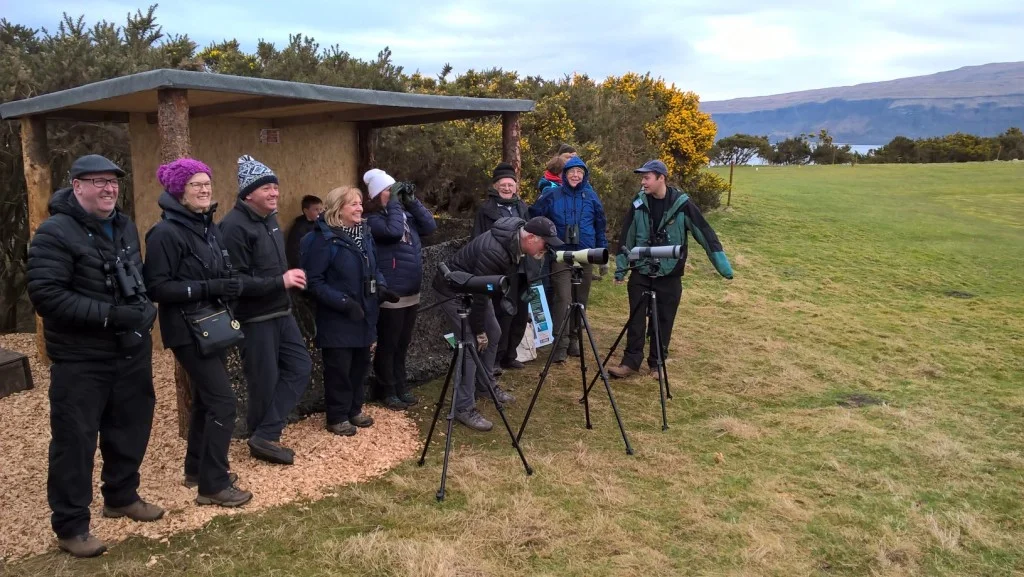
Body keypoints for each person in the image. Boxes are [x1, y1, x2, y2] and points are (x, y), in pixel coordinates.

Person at [26, 154, 163, 558]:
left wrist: (143, 309)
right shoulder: (54, 233)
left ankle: (121, 496)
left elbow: (133, 277)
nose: (109, 189)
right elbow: (46, 296)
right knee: (76, 441)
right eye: (99, 182)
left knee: (130, 428)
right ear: (77, 185)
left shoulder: (123, 225)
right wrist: (109, 316)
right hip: (81, 358)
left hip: (129, 351)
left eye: (114, 182)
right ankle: (71, 526)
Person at [143, 158, 252, 508]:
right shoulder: (165, 233)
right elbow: (157, 287)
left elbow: (217, 270)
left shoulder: (207, 226)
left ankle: (196, 469)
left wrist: (228, 283)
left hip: (213, 326)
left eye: (207, 183)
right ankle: (213, 484)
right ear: (178, 191)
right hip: (187, 331)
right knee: (223, 401)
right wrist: (209, 287)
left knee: (208, 401)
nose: (205, 190)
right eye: (196, 185)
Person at [219, 155, 312, 465]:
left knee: (300, 367)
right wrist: (280, 281)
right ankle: (263, 437)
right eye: (267, 188)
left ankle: (265, 432)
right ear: (248, 193)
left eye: (275, 187)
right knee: (263, 379)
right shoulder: (233, 227)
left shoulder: (270, 219)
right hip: (254, 317)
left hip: (280, 312)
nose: (275, 193)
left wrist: (286, 282)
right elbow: (235, 281)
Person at [433, 216, 563, 431]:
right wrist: (478, 329)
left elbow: (494, 285)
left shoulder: (515, 239)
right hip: (454, 291)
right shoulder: (494, 251)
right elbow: (480, 296)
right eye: (545, 243)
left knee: (495, 332)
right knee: (470, 345)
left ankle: (484, 386)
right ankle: (463, 407)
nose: (546, 249)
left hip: (477, 288)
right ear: (530, 237)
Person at [608, 160, 734, 378]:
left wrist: (723, 266)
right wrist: (621, 269)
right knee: (636, 319)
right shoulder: (638, 202)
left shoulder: (682, 204)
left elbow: (705, 233)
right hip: (641, 271)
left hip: (670, 274)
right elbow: (626, 236)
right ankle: (630, 363)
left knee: (664, 319)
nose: (643, 182)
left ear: (661, 178)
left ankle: (657, 364)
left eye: (647, 177)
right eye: (642, 177)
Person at [301, 186, 399, 435]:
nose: (360, 208)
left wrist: (383, 288)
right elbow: (314, 282)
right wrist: (344, 303)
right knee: (339, 369)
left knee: (360, 364)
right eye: (353, 204)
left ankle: (354, 409)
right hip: (337, 316)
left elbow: (373, 267)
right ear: (338, 209)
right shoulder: (322, 239)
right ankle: (337, 415)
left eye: (359, 203)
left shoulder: (363, 233)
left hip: (365, 312)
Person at [364, 169, 437, 410]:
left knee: (402, 343)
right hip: (392, 291)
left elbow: (430, 225)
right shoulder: (373, 219)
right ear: (376, 195)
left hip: (411, 289)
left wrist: (412, 202)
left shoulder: (403, 213)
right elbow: (393, 233)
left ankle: (400, 385)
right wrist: (394, 203)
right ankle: (387, 389)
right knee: (389, 344)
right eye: (388, 191)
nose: (392, 194)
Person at [529, 155, 608, 363]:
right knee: (563, 298)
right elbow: (535, 217)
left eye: (579, 172)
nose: (575, 175)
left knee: (580, 299)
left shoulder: (591, 197)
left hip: (586, 254)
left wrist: (603, 254)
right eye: (572, 171)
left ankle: (574, 339)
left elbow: (600, 225)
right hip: (561, 254)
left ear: (584, 175)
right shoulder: (552, 196)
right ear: (564, 174)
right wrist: (545, 241)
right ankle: (560, 343)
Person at [472, 162, 538, 371]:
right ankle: (497, 358)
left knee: (520, 313)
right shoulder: (486, 210)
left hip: (522, 268)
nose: (507, 188)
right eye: (503, 184)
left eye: (511, 184)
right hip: (499, 269)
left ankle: (511, 354)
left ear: (516, 186)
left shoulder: (524, 207)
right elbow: (478, 238)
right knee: (503, 314)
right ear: (495, 186)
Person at [285, 194, 323, 269]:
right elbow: (294, 253)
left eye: (321, 209)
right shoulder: (299, 229)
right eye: (316, 209)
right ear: (306, 211)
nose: (319, 212)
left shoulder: (320, 224)